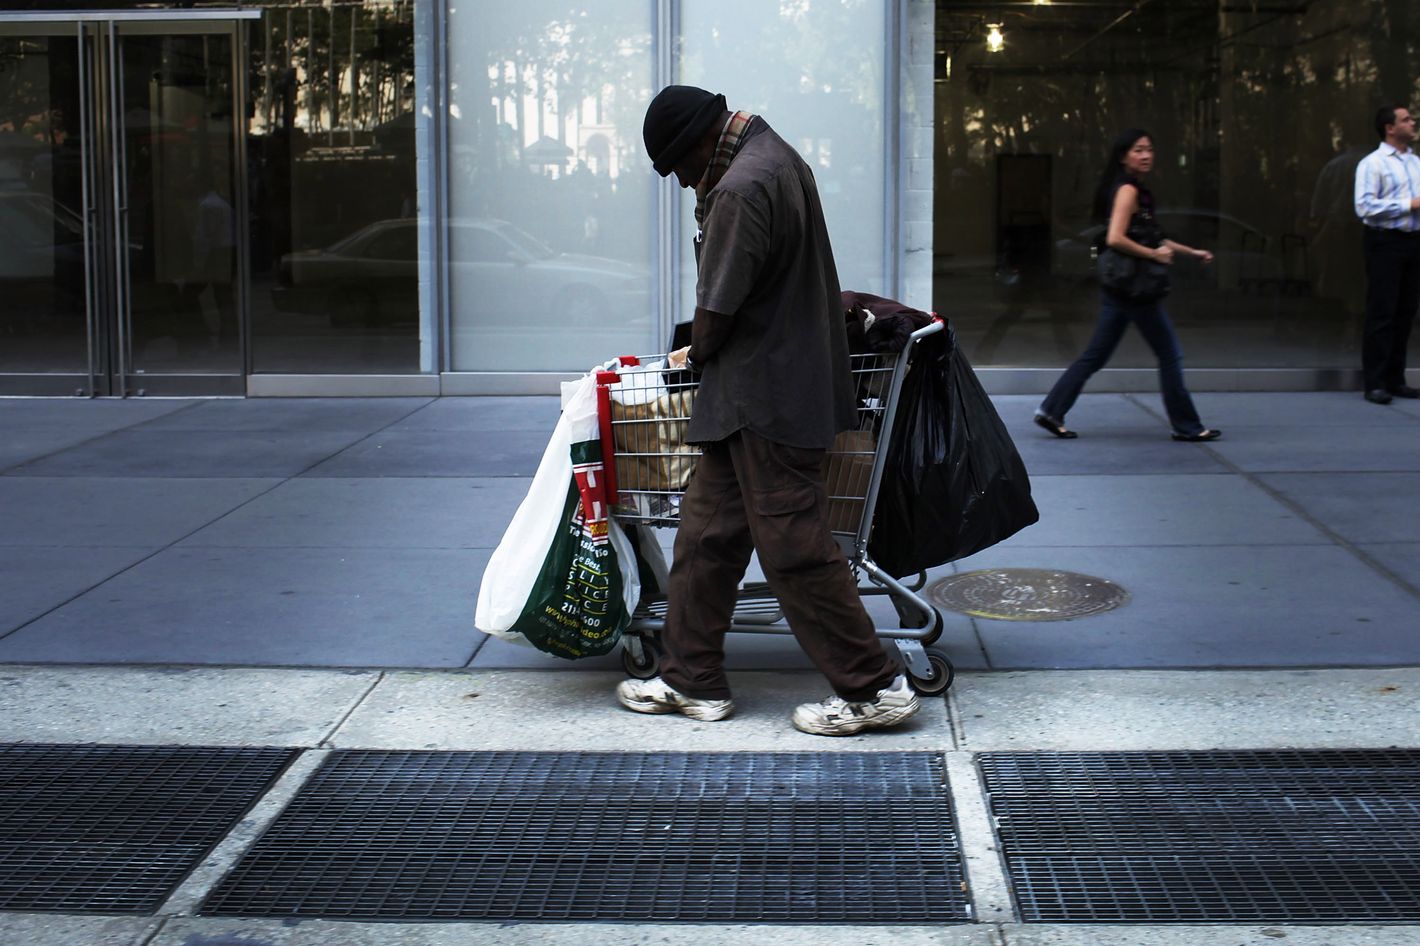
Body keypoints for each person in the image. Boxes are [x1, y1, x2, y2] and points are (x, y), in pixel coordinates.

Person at [614, 84, 920, 737]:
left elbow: (718, 311)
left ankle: (872, 687)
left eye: (678, 168)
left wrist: (688, 355)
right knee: (706, 534)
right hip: (758, 391)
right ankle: (689, 677)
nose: (682, 182)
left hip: (768, 395)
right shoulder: (775, 156)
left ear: (698, 143)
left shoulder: (739, 189)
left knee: (793, 546)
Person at [1034, 128, 1221, 442]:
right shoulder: (1127, 191)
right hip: (1135, 288)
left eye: (1149, 149)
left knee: (1096, 355)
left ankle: (1051, 410)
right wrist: (1154, 256)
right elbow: (1115, 238)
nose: (1146, 155)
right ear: (1123, 156)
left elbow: (1153, 235)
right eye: (1138, 150)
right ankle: (1186, 425)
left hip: (1123, 288)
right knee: (1170, 355)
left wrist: (1191, 252)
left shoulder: (1135, 190)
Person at [1353, 105, 1420, 405]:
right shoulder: (1373, 163)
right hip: (1385, 242)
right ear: (1389, 128)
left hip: (1414, 242)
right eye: (1406, 119)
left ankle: (1396, 379)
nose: (1413, 122)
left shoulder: (1416, 163)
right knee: (1383, 312)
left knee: (1405, 312)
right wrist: (1409, 205)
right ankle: (1375, 382)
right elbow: (1365, 207)